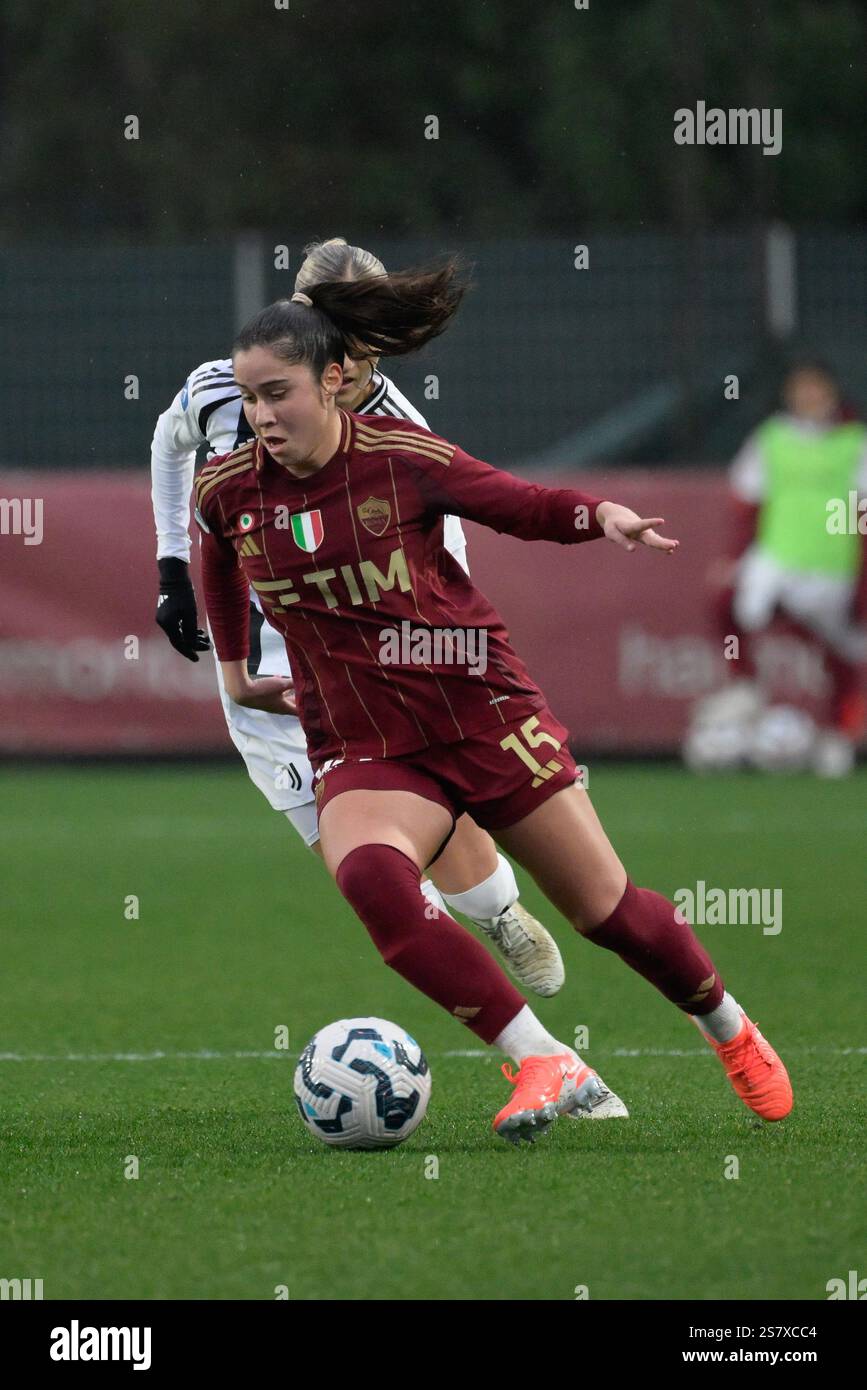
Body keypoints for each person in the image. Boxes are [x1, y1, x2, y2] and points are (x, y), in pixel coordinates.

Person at [196, 269, 793, 1143]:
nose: (261, 416)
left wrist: (601, 516)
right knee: (369, 877)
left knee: (608, 914)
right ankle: (539, 1056)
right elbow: (215, 548)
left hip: (479, 713)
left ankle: (727, 1028)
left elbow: (519, 504)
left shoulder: (401, 459)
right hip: (367, 742)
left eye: (276, 393)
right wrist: (236, 666)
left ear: (331, 379)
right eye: (248, 398)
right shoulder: (229, 487)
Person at [150, 238, 570, 1011]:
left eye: (369, 328)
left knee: (418, 836)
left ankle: (501, 921)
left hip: (369, 659)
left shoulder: (394, 428)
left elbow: (450, 534)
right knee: (359, 868)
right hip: (267, 664)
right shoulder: (225, 388)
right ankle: (512, 1015)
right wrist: (172, 566)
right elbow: (169, 441)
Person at [696, 360, 867, 775]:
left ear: (831, 392)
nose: (808, 397)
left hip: (831, 568)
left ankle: (838, 733)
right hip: (775, 560)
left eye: (816, 388)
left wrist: (862, 583)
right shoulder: (771, 438)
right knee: (728, 597)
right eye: (800, 388)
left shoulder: (854, 442)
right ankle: (745, 684)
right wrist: (736, 557)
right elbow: (747, 503)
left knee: (842, 649)